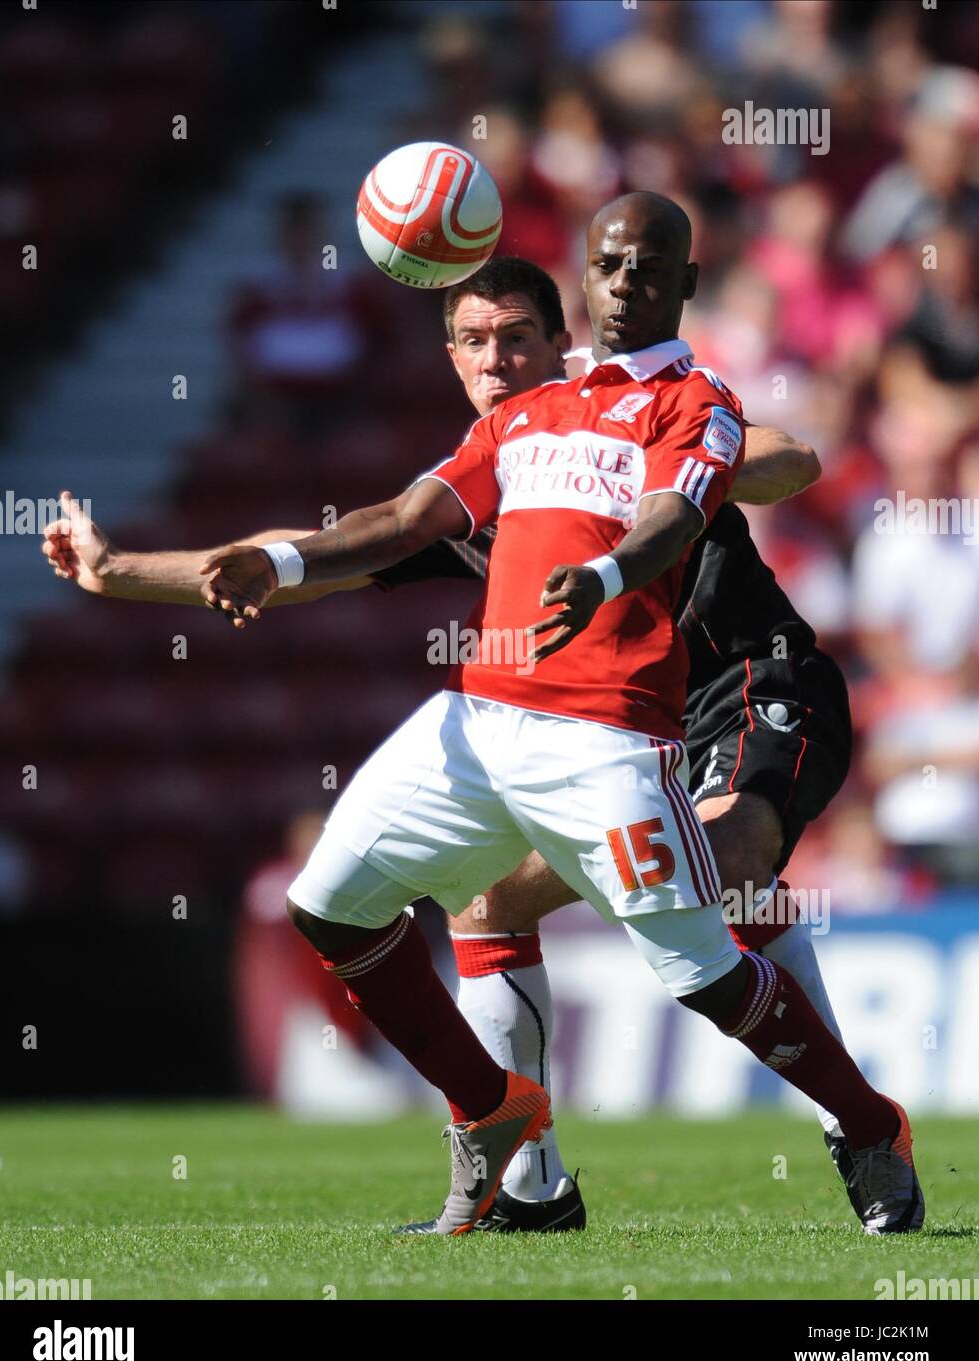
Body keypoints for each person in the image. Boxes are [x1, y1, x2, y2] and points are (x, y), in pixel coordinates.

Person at [44, 202, 920, 1236]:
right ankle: (530, 1177)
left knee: (727, 868)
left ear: (562, 342)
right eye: (472, 342)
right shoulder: (505, 455)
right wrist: (124, 571)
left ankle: (858, 1122)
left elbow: (780, 458)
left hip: (741, 683)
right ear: (451, 360)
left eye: (516, 339)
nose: (496, 360)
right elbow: (342, 549)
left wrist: (705, 486)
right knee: (483, 907)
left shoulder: (662, 411)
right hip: (538, 722)